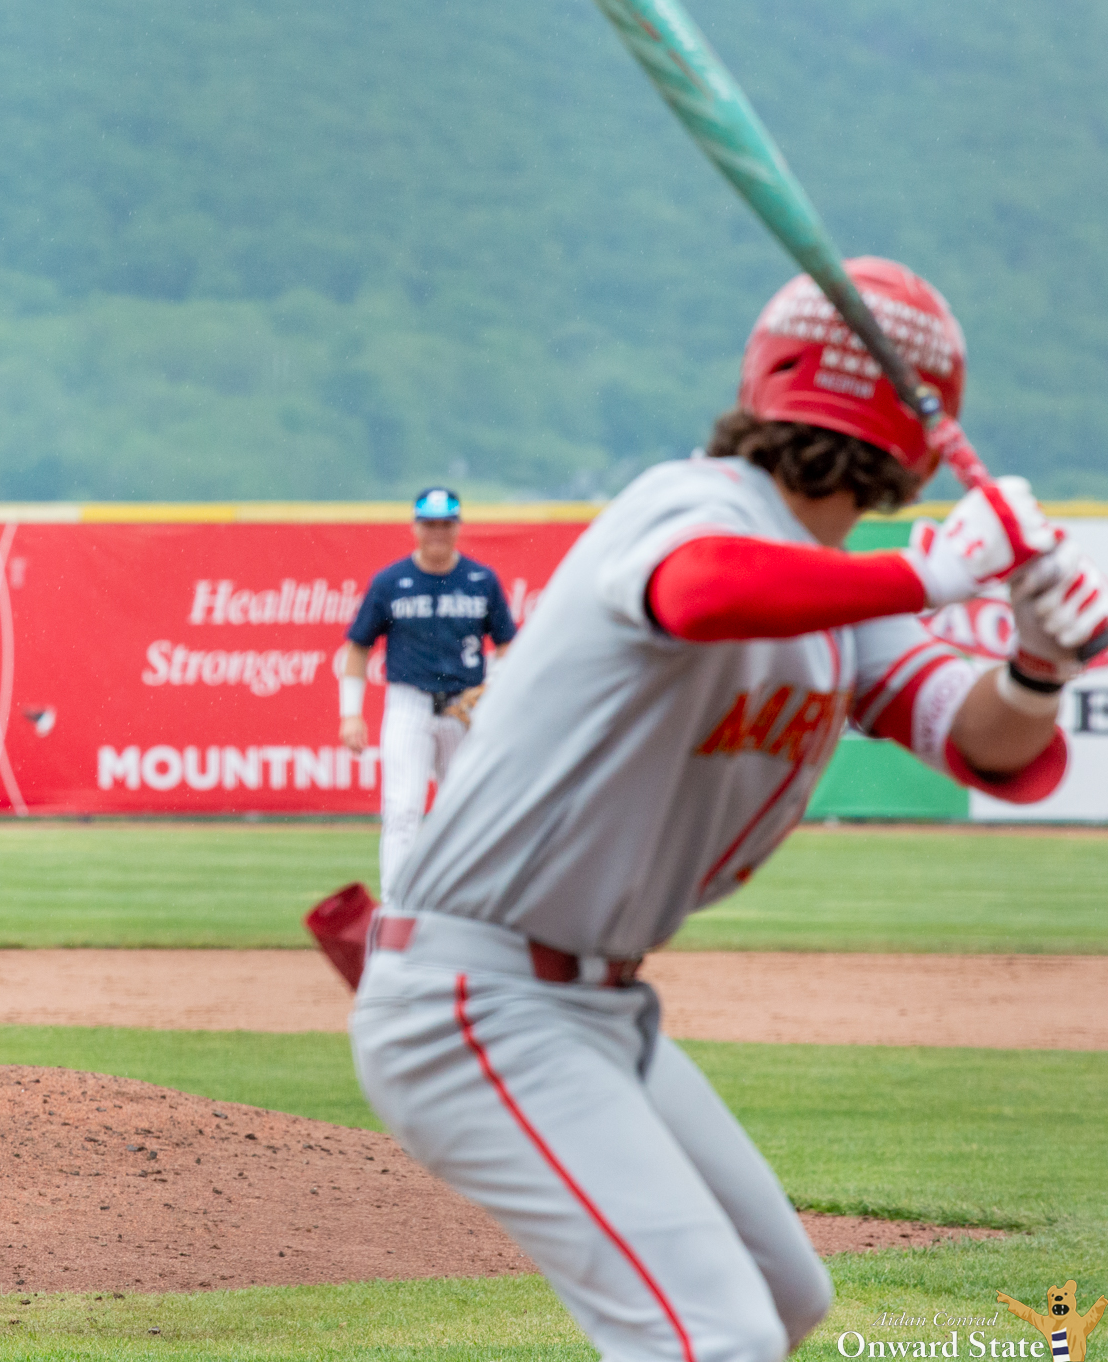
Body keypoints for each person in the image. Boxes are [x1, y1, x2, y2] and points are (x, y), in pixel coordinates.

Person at [350, 259, 1106, 1360]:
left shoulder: (833, 591)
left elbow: (985, 747)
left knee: (780, 1298)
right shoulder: (691, 503)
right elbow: (700, 591)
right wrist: (933, 567)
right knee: (711, 1336)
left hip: (593, 1011)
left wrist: (1037, 663)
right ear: (908, 437)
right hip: (473, 999)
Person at [339, 487, 518, 903]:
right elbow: (358, 646)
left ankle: (469, 903)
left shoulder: (480, 580)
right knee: (402, 809)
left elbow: (507, 643)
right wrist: (351, 714)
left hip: (463, 708)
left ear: (458, 527)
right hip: (409, 704)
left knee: (468, 811)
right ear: (415, 527)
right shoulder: (391, 582)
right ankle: (397, 904)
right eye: (430, 524)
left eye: (446, 523)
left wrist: (492, 684)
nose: (438, 532)